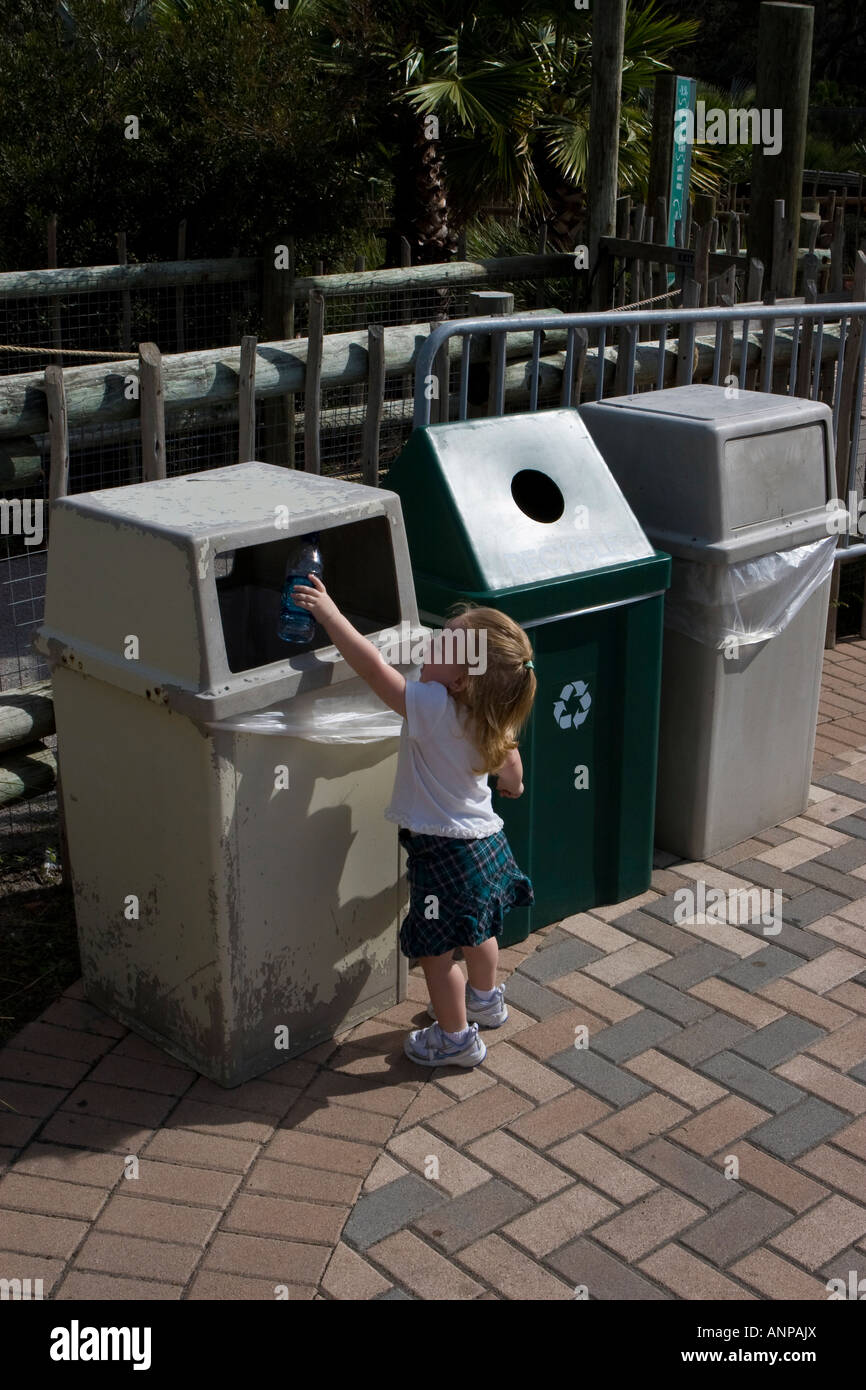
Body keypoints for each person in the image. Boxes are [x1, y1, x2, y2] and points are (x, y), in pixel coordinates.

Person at [291, 574, 536, 1069]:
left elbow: (374, 667)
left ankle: (455, 1041)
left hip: (444, 853)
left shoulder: (432, 706)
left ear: (461, 680)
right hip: (487, 845)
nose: (433, 641)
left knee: (436, 956)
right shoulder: (490, 719)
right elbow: (513, 775)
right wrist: (513, 787)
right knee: (479, 931)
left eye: (444, 642)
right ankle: (486, 1001)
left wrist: (330, 615)